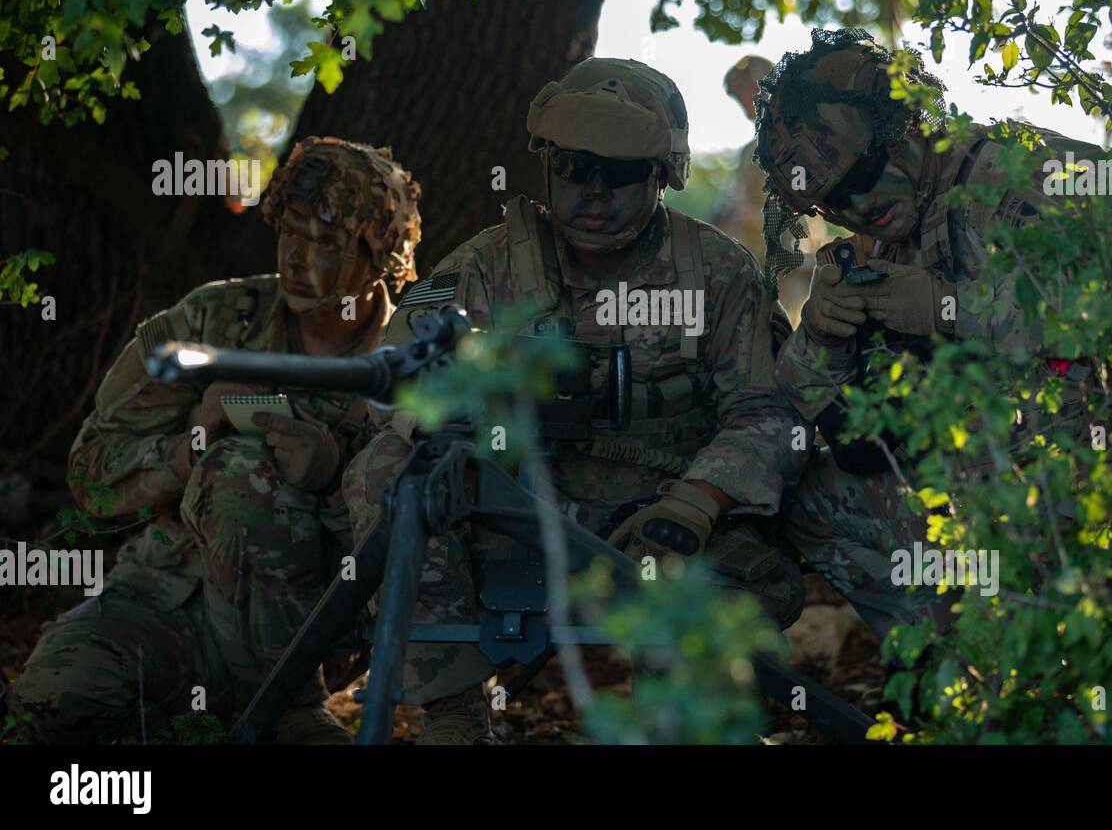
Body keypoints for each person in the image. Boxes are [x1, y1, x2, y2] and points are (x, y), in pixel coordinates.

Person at [343, 58, 808, 743]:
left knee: (738, 594)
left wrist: (695, 504)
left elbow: (768, 414)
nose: (592, 192)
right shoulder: (482, 266)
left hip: (668, 525)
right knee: (387, 469)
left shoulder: (717, 274)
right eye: (572, 168)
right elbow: (397, 379)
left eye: (617, 174)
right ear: (547, 166)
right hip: (517, 519)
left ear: (661, 175)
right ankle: (453, 719)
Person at [754, 28, 1112, 634]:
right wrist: (823, 335)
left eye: (861, 177)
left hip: (1107, 477)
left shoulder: (1038, 173)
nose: (855, 208)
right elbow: (803, 400)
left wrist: (946, 307)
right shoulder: (875, 237)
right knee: (812, 498)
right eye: (830, 205)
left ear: (904, 123)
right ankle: (948, 666)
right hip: (976, 492)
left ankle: (1084, 651)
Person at [10, 137, 422, 744]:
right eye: (290, 233)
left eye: (328, 245)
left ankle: (275, 711)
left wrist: (335, 475)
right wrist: (187, 448)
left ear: (380, 259)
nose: (297, 260)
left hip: (300, 639)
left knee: (241, 468)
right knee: (48, 705)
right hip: (161, 604)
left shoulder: (410, 362)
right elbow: (92, 474)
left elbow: (432, 539)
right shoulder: (213, 321)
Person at [712, 55, 827, 321]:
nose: (745, 102)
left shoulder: (802, 142)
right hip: (753, 268)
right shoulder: (749, 153)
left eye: (748, 91)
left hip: (793, 268)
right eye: (739, 95)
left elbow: (805, 205)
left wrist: (757, 216)